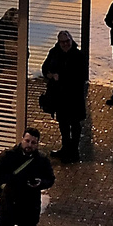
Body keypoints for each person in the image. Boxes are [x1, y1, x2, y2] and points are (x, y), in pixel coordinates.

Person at [41, 31, 88, 162]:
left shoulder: (78, 56)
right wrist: (50, 75)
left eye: (67, 41)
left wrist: (61, 77)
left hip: (73, 96)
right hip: (60, 96)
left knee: (74, 123)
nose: (66, 44)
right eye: (63, 42)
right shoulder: (54, 53)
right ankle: (66, 148)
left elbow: (82, 76)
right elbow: (45, 68)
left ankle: (74, 151)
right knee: (63, 123)